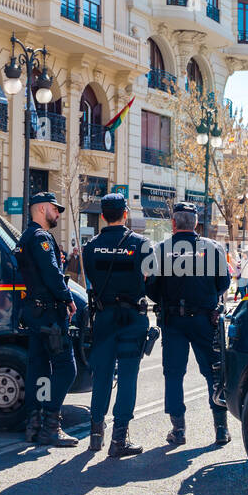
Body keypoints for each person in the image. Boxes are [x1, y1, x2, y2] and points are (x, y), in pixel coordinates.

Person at [145, 202, 232, 446]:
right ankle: (221, 429)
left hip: (174, 322)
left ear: (173, 223)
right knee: (214, 374)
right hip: (205, 320)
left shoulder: (161, 250)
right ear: (195, 224)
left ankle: (179, 430)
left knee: (174, 375)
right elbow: (224, 283)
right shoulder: (213, 248)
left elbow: (151, 287)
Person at [82, 193, 149, 457]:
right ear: (125, 214)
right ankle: (119, 439)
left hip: (104, 317)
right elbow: (150, 281)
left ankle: (96, 436)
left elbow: (91, 281)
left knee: (102, 376)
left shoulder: (91, 247)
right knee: (128, 376)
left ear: (102, 217)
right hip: (132, 318)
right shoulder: (140, 244)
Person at [14, 191, 79, 447]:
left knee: (39, 369)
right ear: (41, 209)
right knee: (66, 368)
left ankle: (34, 424)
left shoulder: (25, 236)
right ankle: (51, 424)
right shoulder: (41, 237)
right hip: (51, 313)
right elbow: (52, 272)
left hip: (34, 312)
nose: (58, 213)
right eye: (55, 208)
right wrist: (67, 298)